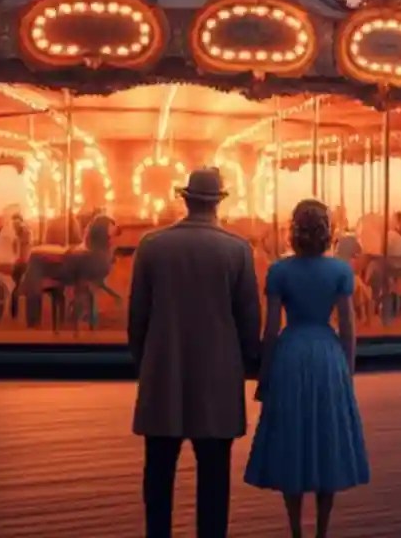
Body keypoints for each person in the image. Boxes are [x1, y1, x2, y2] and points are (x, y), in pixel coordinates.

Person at [129, 167, 262, 538]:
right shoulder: (237, 251)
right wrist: (251, 364)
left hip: (163, 370)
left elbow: (137, 315)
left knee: (157, 471)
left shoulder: (151, 246)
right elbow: (248, 319)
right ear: (219, 202)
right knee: (214, 474)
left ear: (185, 199)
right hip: (217, 376)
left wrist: (145, 363)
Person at [245, 199, 370, 538]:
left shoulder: (279, 272)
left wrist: (264, 373)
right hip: (327, 355)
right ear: (327, 232)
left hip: (291, 352)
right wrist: (348, 369)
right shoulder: (341, 271)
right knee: (326, 438)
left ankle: (296, 530)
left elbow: (271, 330)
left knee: (292, 438)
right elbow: (347, 327)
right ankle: (322, 530)